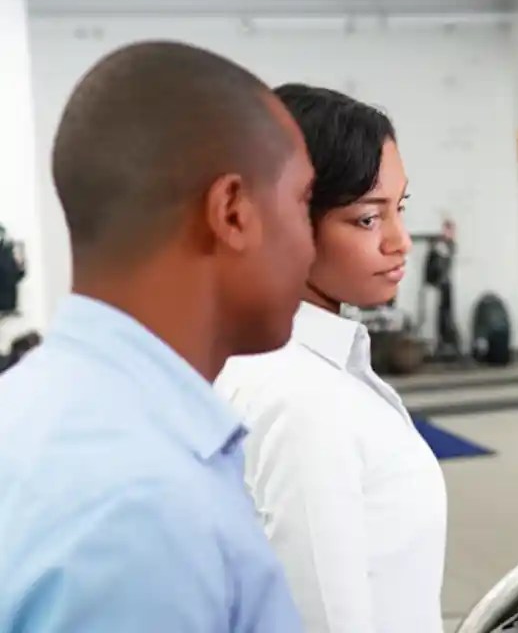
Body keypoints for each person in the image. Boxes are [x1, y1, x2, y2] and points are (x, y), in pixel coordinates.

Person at [0, 41, 314, 631]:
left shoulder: (28, 410)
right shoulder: (142, 509)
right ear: (232, 211)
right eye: (303, 202)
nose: (309, 244)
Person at [214, 84, 448, 633]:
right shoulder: (300, 399)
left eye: (399, 208)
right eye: (368, 219)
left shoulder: (279, 362)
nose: (400, 241)